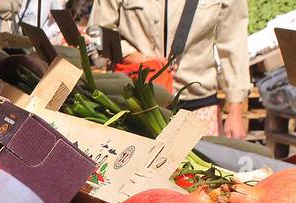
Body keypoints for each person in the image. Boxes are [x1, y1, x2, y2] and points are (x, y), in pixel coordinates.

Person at [88, 0, 250, 139]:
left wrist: (236, 110)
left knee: (197, 173)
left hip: (198, 109)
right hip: (136, 107)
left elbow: (234, 43)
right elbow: (97, 32)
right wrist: (133, 55)